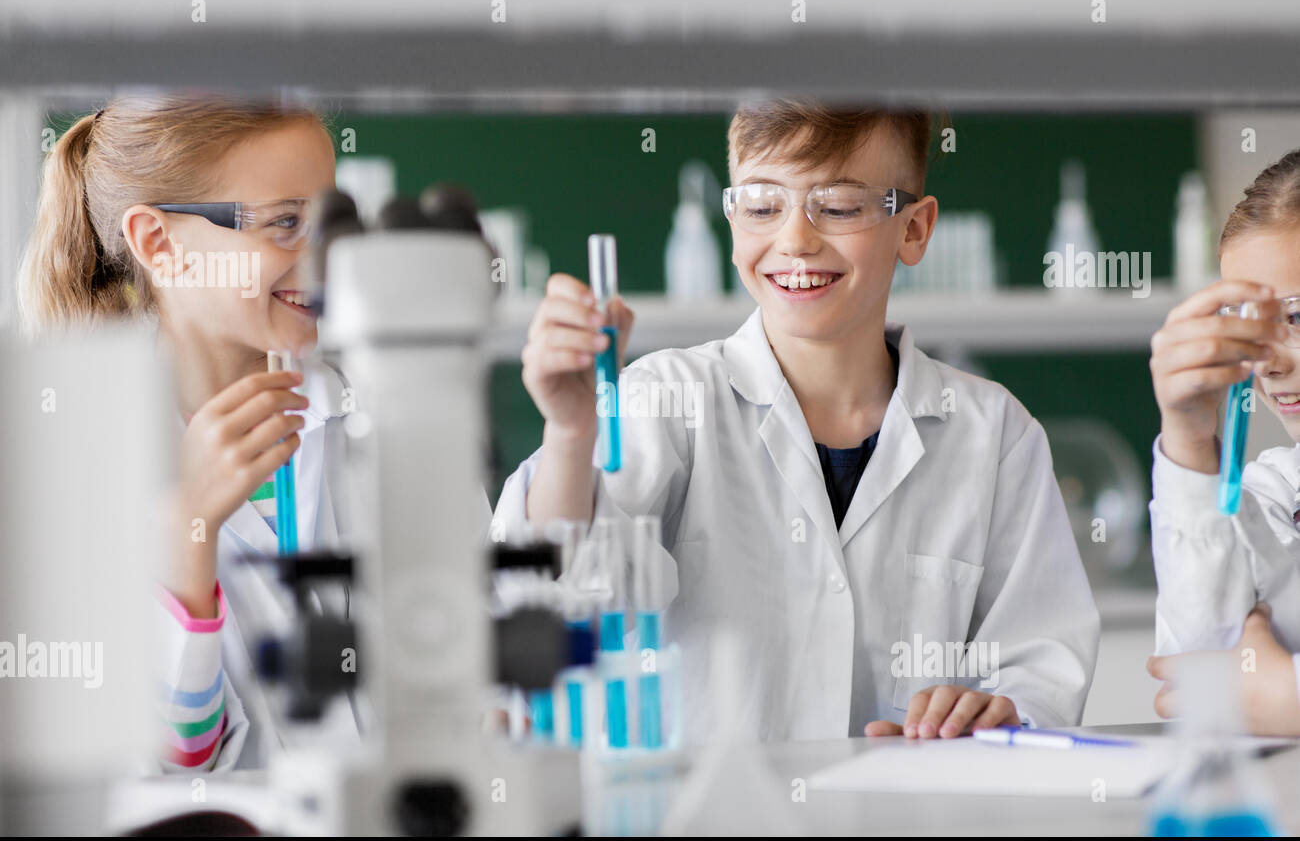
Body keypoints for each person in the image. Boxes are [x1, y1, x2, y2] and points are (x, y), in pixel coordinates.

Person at [493, 98, 1099, 742]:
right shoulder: (666, 400)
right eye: (761, 206)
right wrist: (568, 435)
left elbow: (1043, 668)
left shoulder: (993, 432)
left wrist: (998, 714)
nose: (795, 239)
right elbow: (558, 612)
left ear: (915, 230)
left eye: (837, 207)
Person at [18, 95, 351, 771]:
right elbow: (165, 767)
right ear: (158, 243)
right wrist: (186, 533)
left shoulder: (377, 411)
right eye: (286, 223)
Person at [1148, 148, 1300, 735]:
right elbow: (1201, 666)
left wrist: (1289, 697)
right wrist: (1188, 439)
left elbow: (1261, 696)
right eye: (1248, 323)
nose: (1270, 365)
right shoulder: (1272, 492)